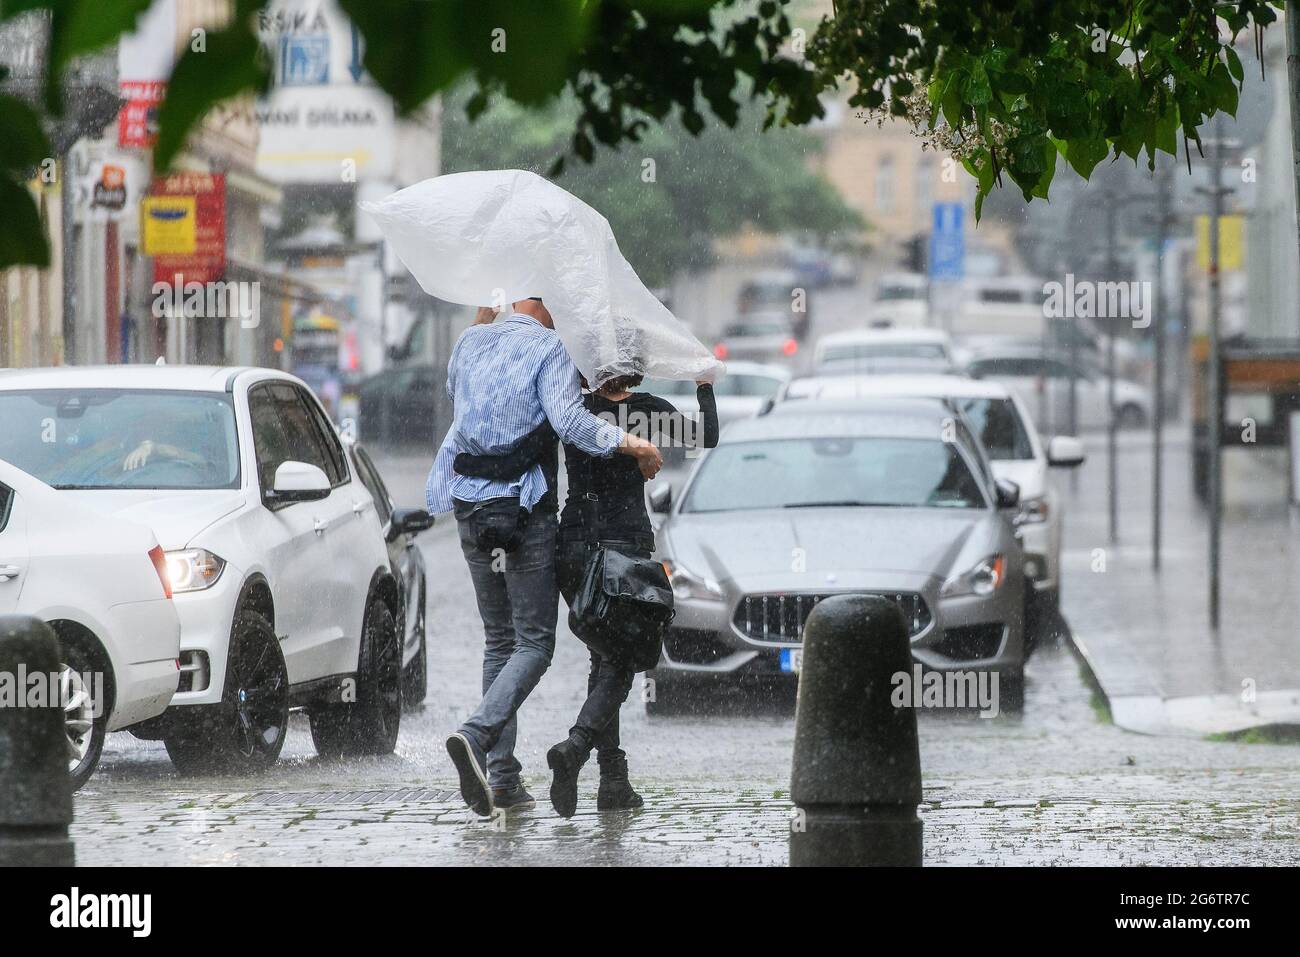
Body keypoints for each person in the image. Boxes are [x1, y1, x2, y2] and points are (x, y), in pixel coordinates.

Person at [426, 298, 663, 818]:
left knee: (499, 639)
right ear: (544, 303)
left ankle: (504, 779)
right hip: (523, 509)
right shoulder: (550, 348)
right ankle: (477, 734)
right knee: (534, 643)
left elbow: (460, 399)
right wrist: (634, 444)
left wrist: (481, 324)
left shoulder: (468, 342)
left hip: (469, 504)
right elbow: (570, 423)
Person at [457, 368, 718, 816]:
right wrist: (703, 385)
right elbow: (706, 436)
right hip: (624, 549)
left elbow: (519, 442)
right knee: (623, 657)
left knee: (604, 653)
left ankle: (613, 780)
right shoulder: (645, 412)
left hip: (573, 548)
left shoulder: (571, 409)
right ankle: (576, 749)